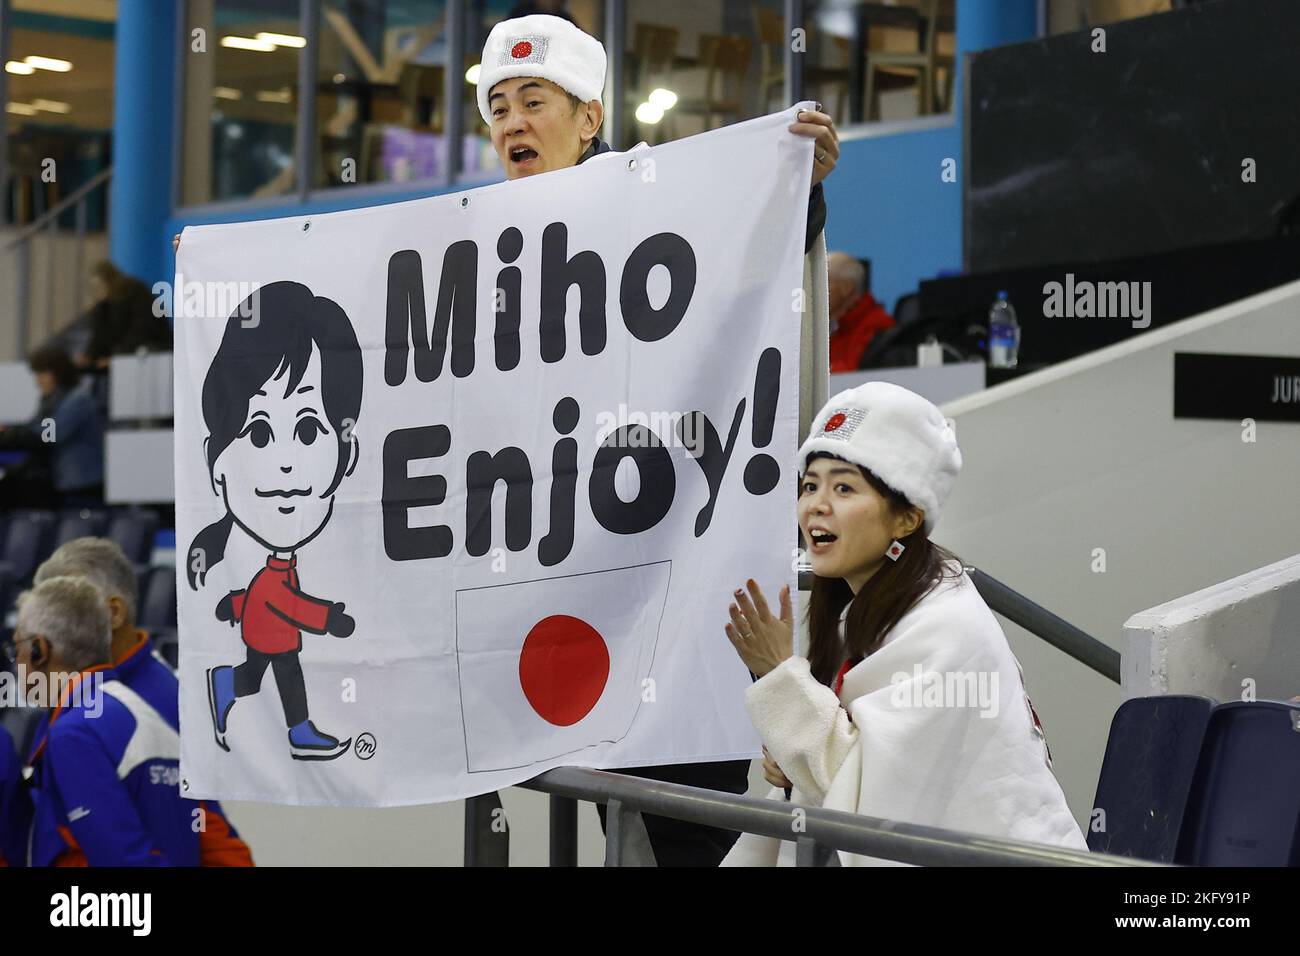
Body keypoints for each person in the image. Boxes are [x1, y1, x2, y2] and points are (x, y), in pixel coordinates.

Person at [719, 382, 1088, 865]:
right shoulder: (867, 609)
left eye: (844, 487)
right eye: (810, 485)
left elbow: (873, 808)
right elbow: (849, 779)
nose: (816, 505)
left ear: (906, 520)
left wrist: (779, 679)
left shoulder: (947, 626)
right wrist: (793, 759)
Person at [34, 538, 255, 864]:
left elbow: (209, 829)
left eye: (63, 613)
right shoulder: (77, 693)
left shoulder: (161, 701)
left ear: (114, 613)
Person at [15, 576, 200, 866]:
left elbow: (124, 860)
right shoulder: (143, 712)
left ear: (40, 649)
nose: (15, 665)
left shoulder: (75, 734)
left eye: (17, 650)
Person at [0, 345, 104, 508]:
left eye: (43, 374)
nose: (38, 381)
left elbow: (49, 433)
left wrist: (9, 434)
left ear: (58, 373)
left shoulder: (79, 400)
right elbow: (33, 428)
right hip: (63, 486)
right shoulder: (50, 401)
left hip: (82, 488)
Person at [80, 260, 172, 369]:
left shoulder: (135, 292)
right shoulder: (104, 305)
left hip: (151, 352)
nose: (98, 291)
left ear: (109, 281)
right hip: (126, 354)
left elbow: (143, 329)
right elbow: (100, 334)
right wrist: (89, 355)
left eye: (100, 286)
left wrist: (117, 356)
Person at [827, 252, 894, 372]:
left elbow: (851, 376)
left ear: (846, 288)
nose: (815, 292)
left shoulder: (878, 326)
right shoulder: (833, 327)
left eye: (825, 283)